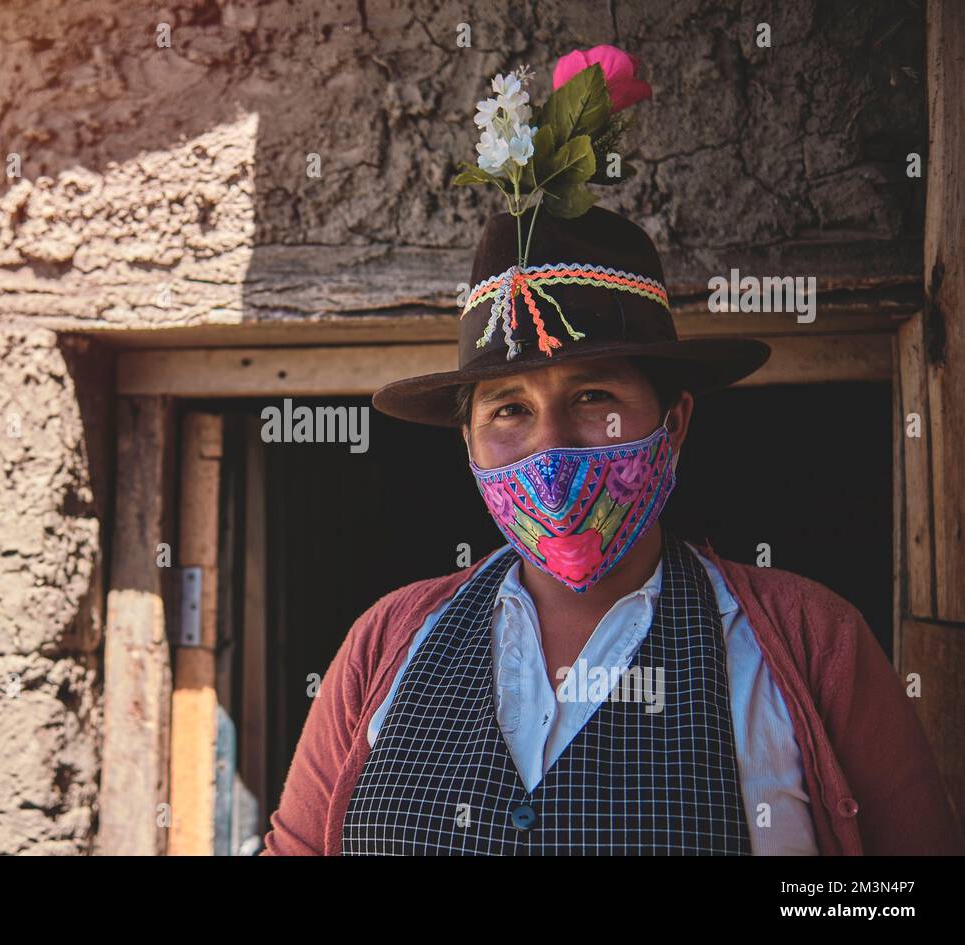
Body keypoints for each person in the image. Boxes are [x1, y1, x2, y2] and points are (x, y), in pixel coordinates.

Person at [260, 208, 963, 855]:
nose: (550, 444)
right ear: (468, 446)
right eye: (508, 408)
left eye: (594, 396)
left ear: (674, 422)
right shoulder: (384, 643)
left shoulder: (812, 644)